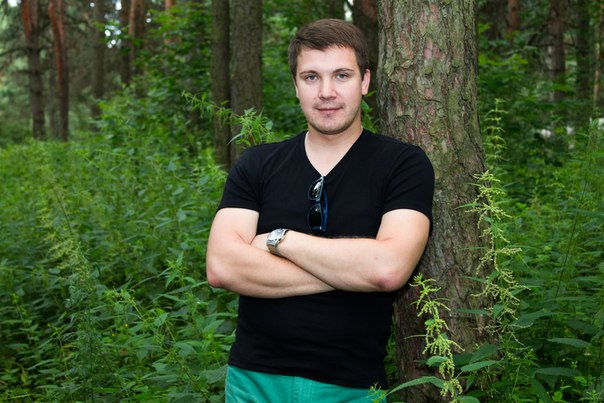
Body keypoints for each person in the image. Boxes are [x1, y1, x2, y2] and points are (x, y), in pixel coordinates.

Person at [206, 18, 434, 402]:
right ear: (296, 86)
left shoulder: (402, 165)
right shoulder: (257, 164)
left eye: (341, 75)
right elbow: (222, 267)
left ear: (364, 81)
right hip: (253, 383)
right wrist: (351, 270)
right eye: (311, 77)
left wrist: (280, 240)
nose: (326, 92)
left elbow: (388, 269)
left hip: (351, 388)